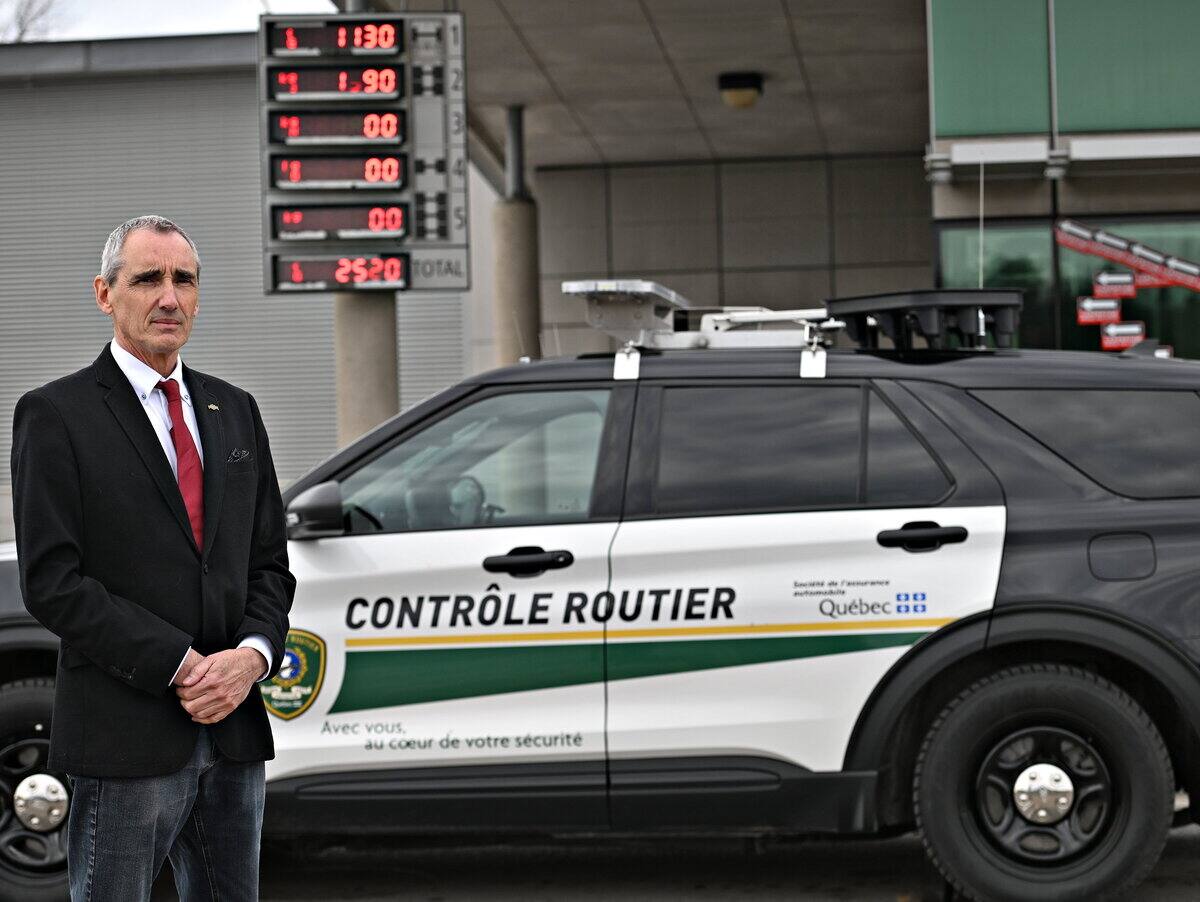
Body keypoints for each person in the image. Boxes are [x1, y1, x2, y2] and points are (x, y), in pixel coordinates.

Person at [10, 215, 295, 901]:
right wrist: (182, 664)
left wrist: (250, 657)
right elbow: (53, 584)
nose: (169, 297)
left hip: (232, 731)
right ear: (106, 295)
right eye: (148, 279)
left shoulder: (237, 411)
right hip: (126, 739)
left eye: (184, 280)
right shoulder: (56, 416)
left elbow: (269, 564)